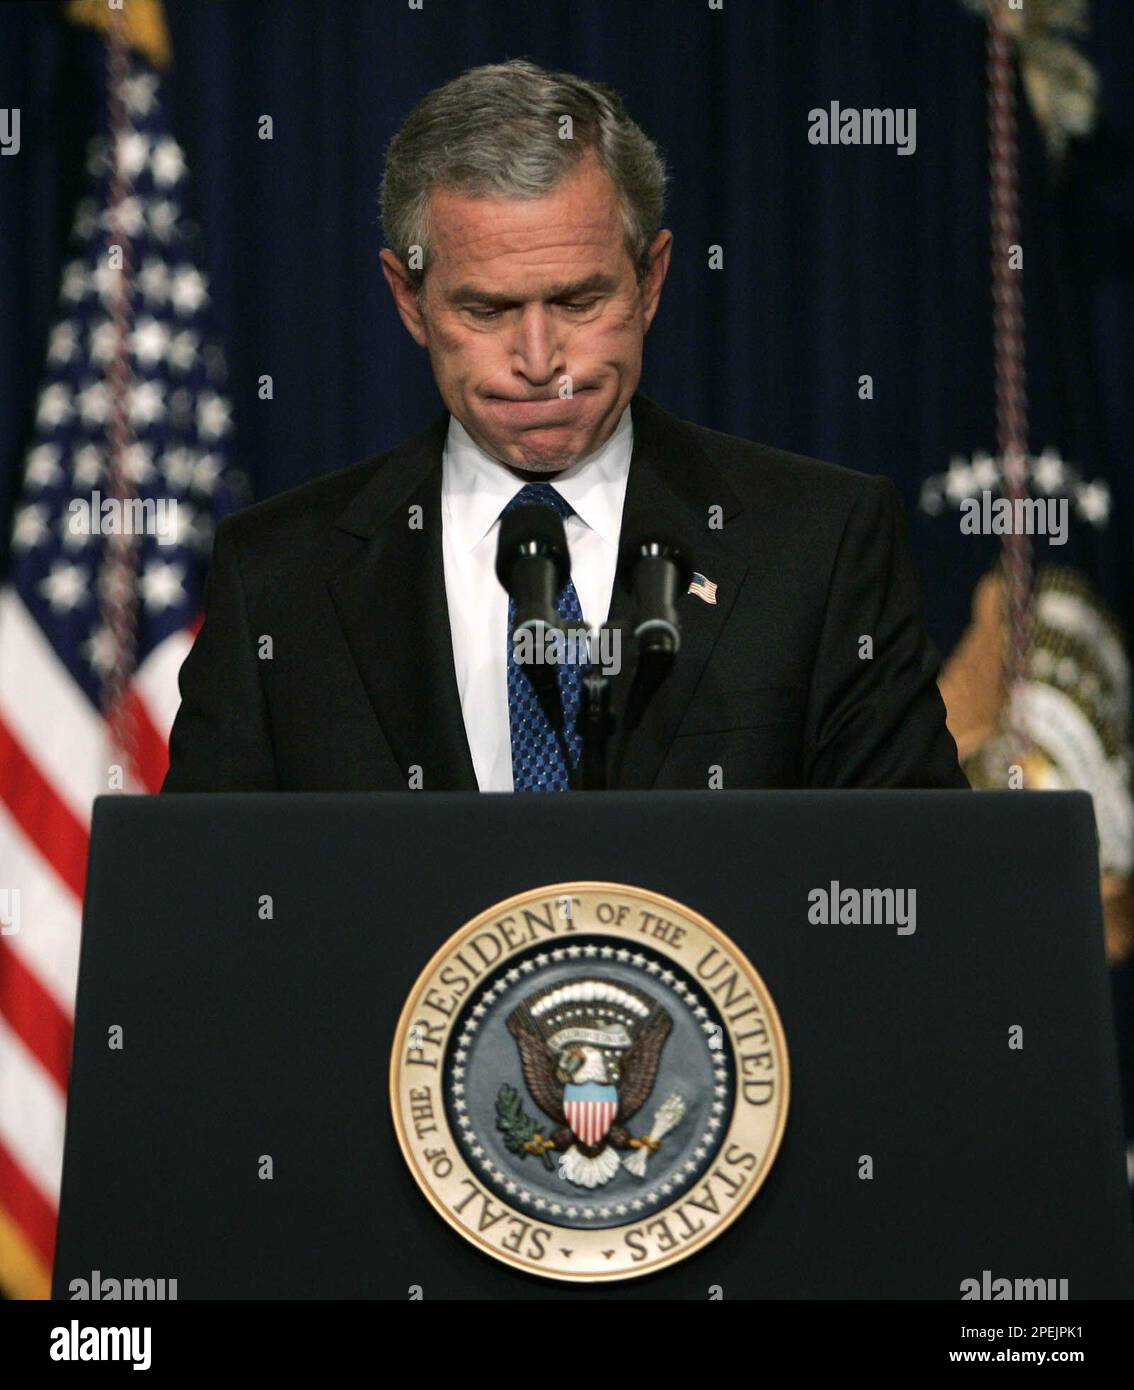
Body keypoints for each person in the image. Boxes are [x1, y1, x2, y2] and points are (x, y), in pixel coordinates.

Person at [162, 59, 966, 795]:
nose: (541, 359)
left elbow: (910, 884)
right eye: (488, 309)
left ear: (650, 281)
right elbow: (205, 911)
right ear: (410, 300)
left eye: (579, 302)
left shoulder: (820, 545)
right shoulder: (276, 581)